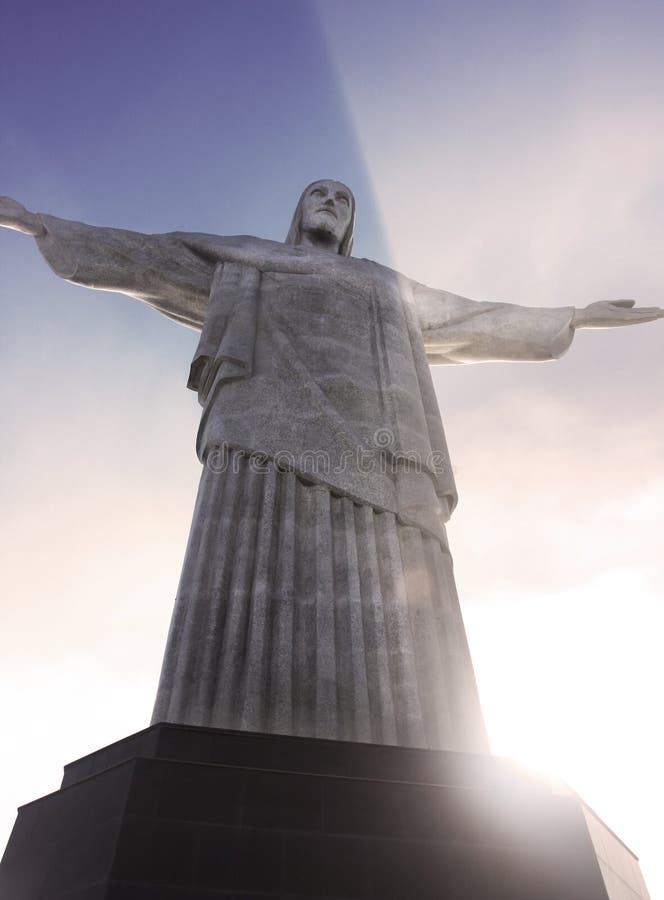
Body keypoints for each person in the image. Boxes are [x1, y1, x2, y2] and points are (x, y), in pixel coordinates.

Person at [1, 184, 661, 753]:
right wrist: (38, 223)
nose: (332, 202)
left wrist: (573, 318)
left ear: (351, 225)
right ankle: (221, 731)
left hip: (382, 453)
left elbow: (469, 317)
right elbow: (146, 257)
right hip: (261, 436)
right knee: (252, 570)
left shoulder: (381, 284)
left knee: (394, 602)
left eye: (343, 199)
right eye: (320, 193)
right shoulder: (245, 257)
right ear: (299, 211)